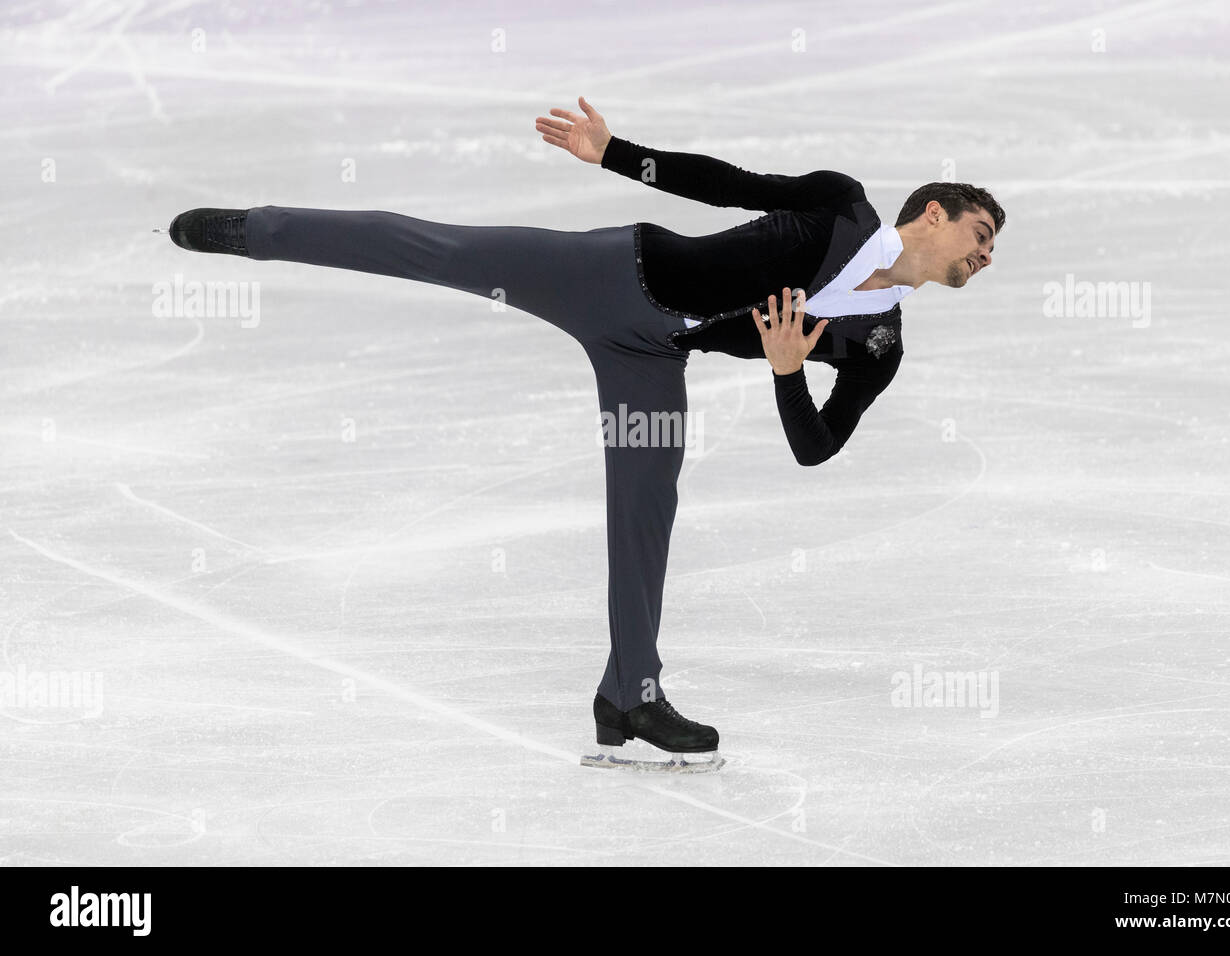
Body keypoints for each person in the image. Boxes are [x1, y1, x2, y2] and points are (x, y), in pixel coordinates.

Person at [167, 96, 1004, 771]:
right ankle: (259, 230)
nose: (985, 256)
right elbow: (728, 183)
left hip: (651, 354)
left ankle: (628, 697)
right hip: (609, 274)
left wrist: (788, 372)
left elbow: (815, 445)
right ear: (934, 214)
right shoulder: (840, 206)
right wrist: (615, 153)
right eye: (981, 236)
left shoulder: (880, 345)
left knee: (647, 513)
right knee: (441, 249)